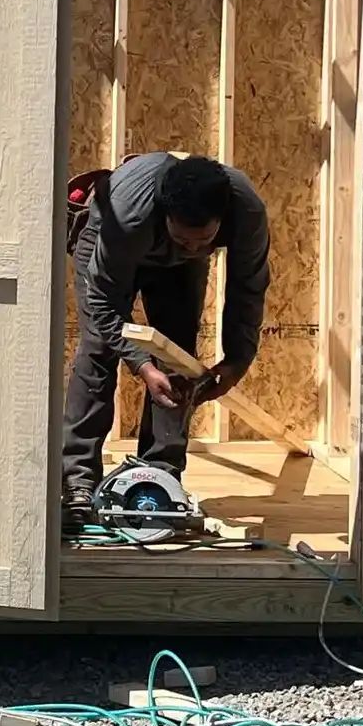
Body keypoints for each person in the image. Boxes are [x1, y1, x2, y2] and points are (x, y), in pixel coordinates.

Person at [61, 151, 270, 527]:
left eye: (202, 242)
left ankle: (160, 474)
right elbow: (102, 304)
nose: (190, 249)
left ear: (221, 220)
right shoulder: (126, 213)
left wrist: (238, 359)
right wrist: (141, 365)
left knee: (177, 357)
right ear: (166, 215)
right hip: (112, 244)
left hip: (168, 259)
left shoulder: (247, 212)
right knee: (99, 350)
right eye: (182, 239)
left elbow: (248, 288)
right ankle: (78, 480)